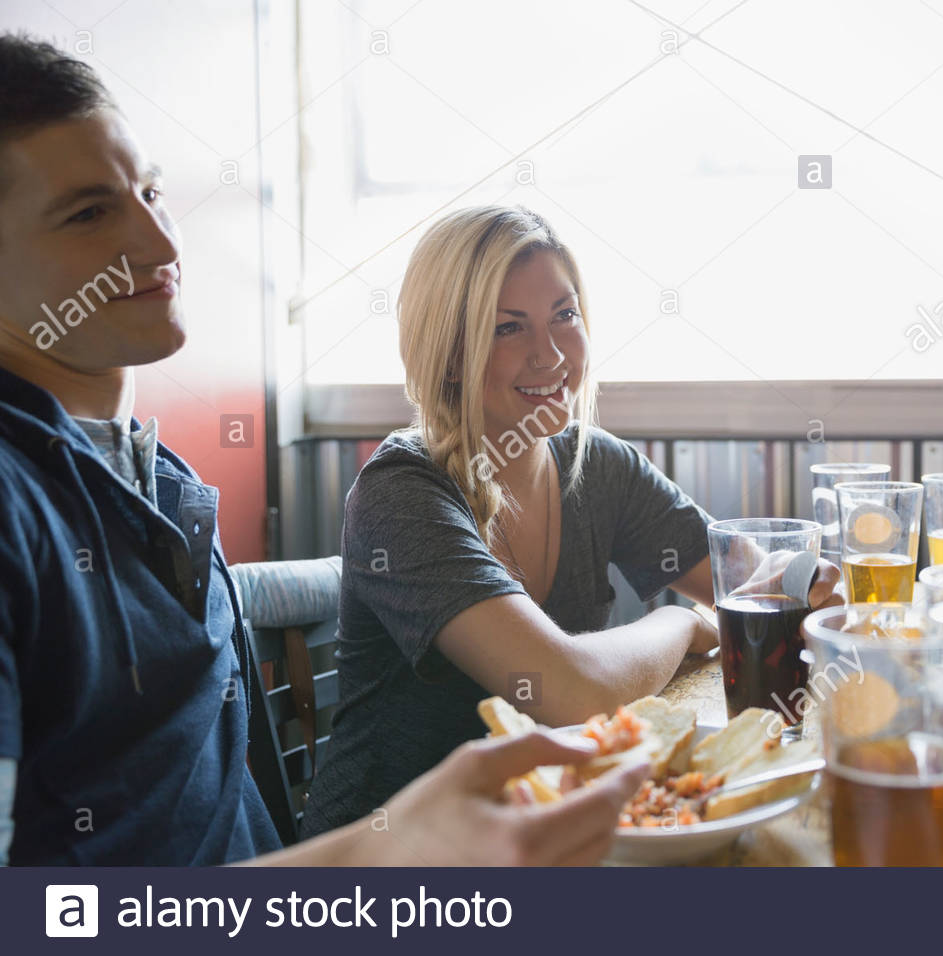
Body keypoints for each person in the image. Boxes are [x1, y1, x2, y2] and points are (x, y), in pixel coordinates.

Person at [0, 33, 644, 866]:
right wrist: (379, 858)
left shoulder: (160, 481)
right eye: (89, 213)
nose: (162, 245)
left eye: (152, 192)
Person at [300, 206, 842, 838]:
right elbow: (563, 692)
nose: (550, 354)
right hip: (394, 867)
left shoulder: (594, 462)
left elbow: (749, 581)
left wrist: (808, 574)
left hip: (542, 838)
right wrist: (680, 620)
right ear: (448, 354)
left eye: (565, 316)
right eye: (508, 328)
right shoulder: (402, 493)